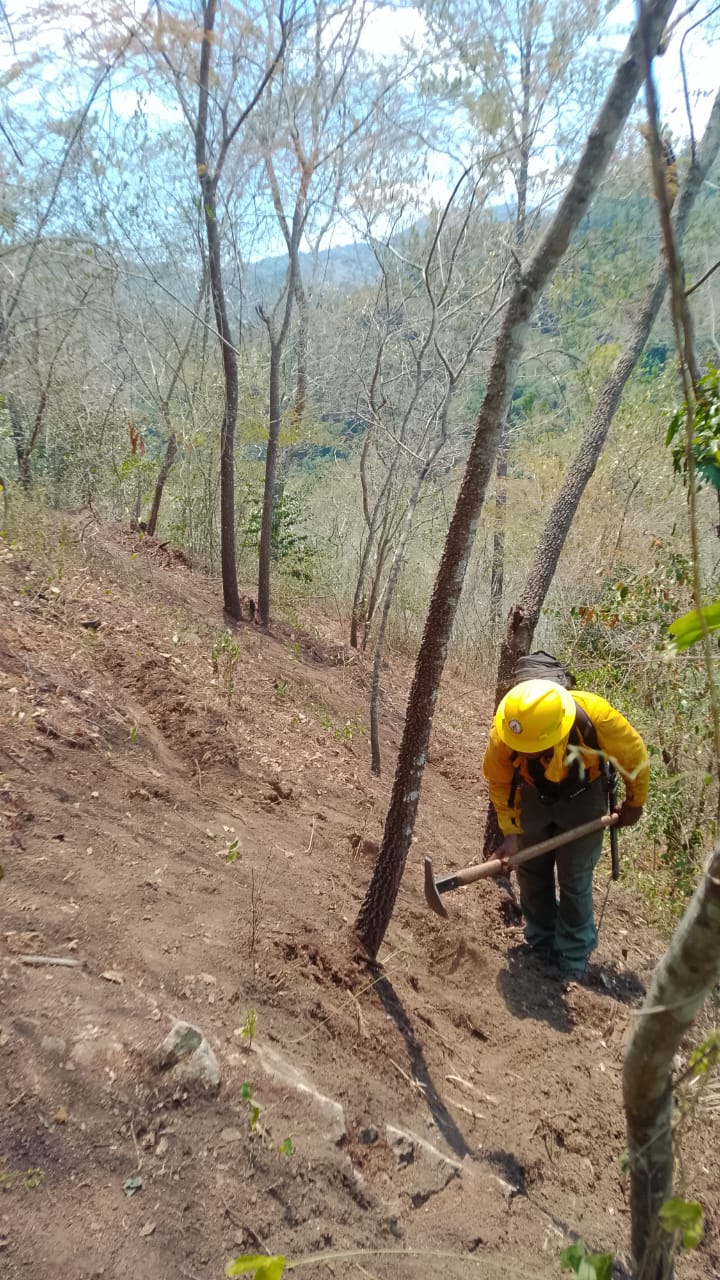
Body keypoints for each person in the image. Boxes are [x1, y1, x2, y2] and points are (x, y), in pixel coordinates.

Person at [482, 678, 649, 981]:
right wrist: (512, 832)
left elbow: (635, 757)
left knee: (575, 875)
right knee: (531, 869)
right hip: (533, 794)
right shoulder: (505, 731)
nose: (527, 752)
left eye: (534, 747)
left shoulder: (597, 717)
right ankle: (541, 941)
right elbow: (499, 782)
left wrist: (634, 804)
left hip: (584, 796)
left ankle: (572, 954)